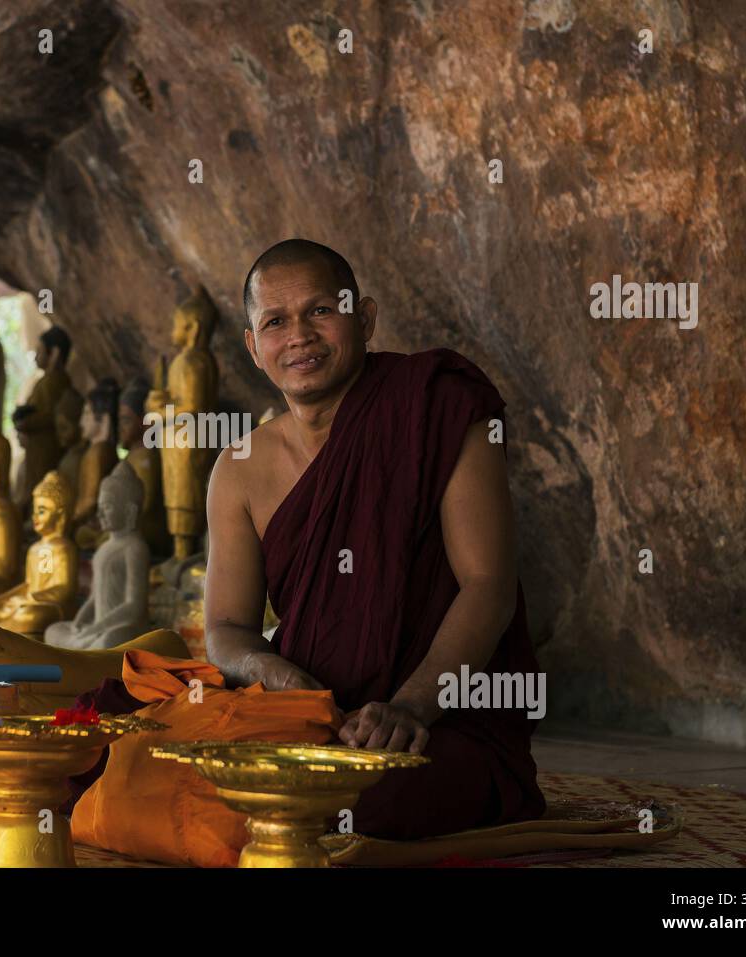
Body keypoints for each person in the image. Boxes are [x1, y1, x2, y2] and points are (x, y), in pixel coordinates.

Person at [203, 238, 545, 840]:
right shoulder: (239, 469)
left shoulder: (435, 406)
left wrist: (412, 706)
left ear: (365, 318)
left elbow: (488, 586)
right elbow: (226, 629)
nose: (300, 336)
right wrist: (275, 674)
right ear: (254, 348)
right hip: (310, 714)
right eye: (276, 322)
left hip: (442, 718)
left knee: (350, 810)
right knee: (149, 763)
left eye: (321, 311)